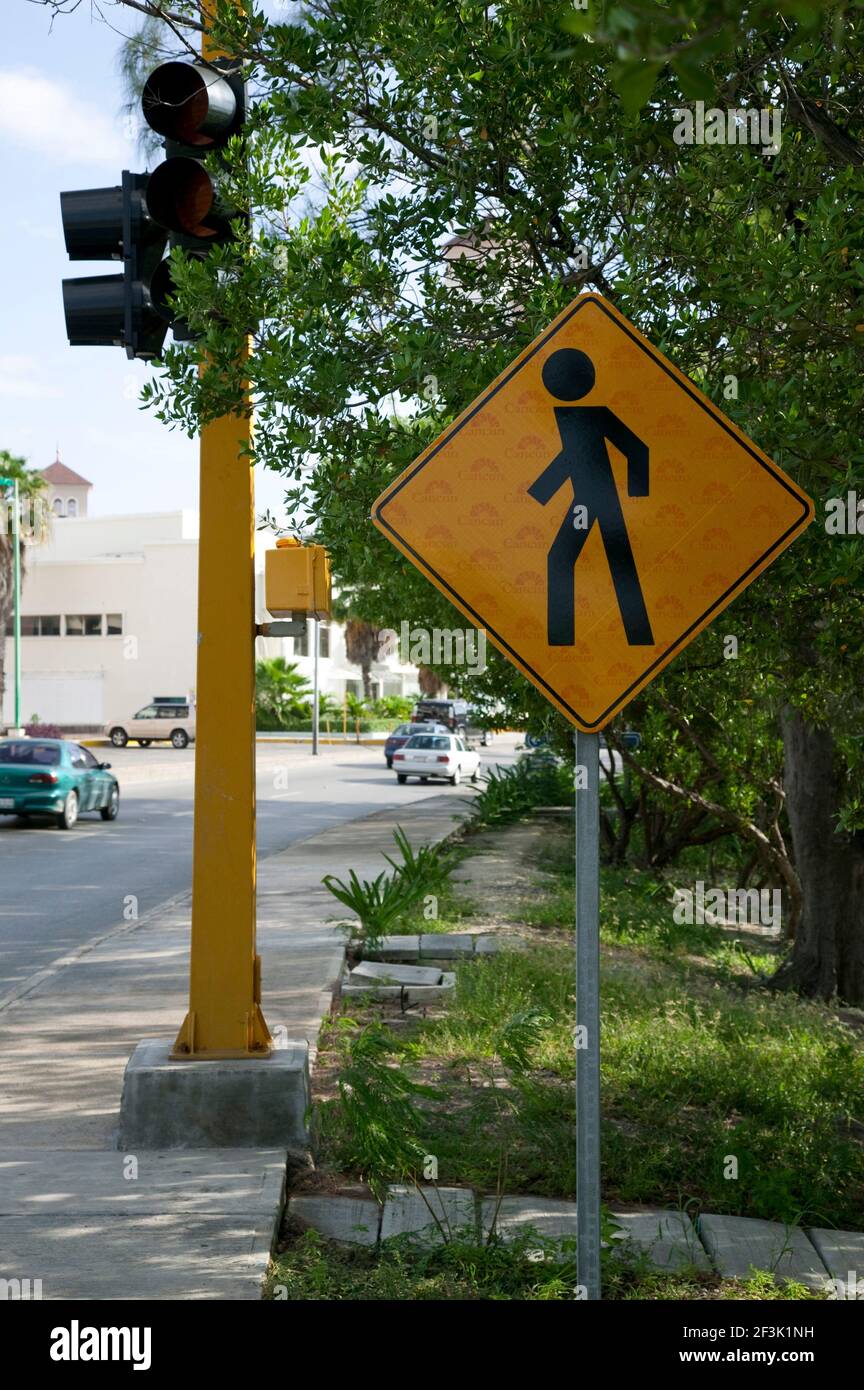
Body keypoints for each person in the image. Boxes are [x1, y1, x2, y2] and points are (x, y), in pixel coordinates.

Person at [528, 348, 654, 646]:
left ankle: (562, 640)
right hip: (592, 498)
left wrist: (638, 494)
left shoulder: (595, 415)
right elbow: (571, 458)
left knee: (563, 560)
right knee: (617, 563)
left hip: (596, 499)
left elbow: (637, 448)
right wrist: (541, 492)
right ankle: (637, 634)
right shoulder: (572, 415)